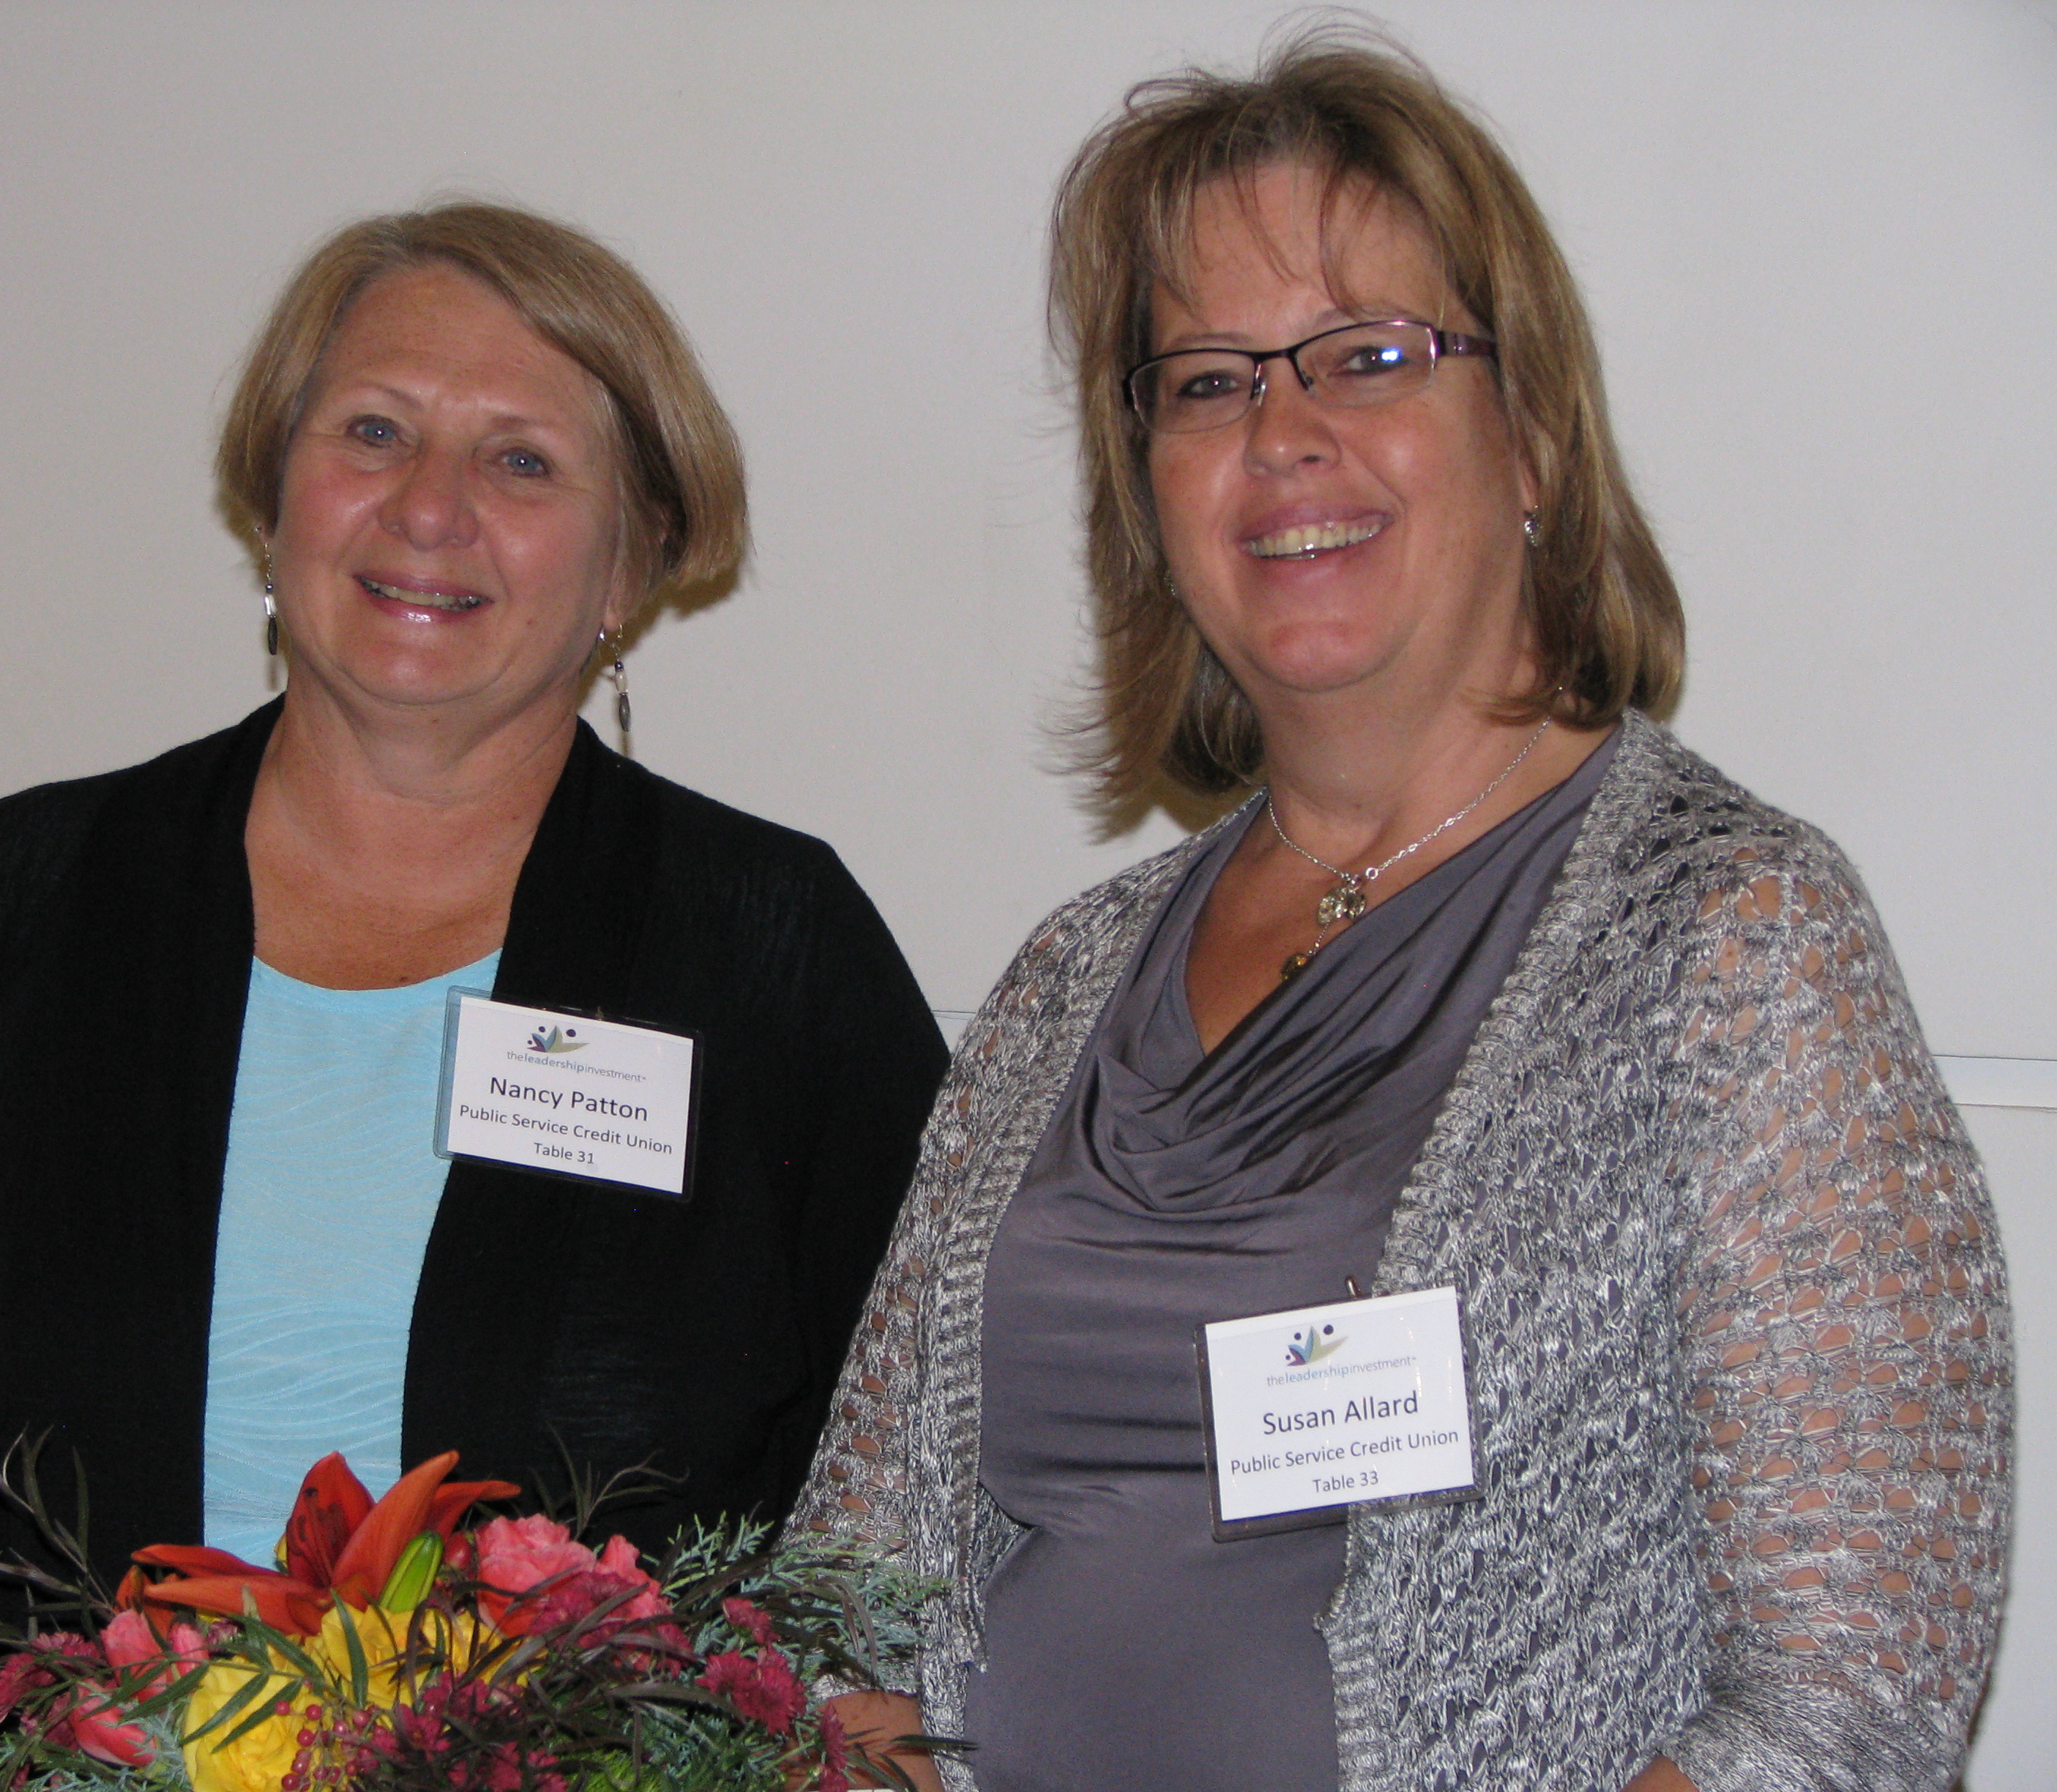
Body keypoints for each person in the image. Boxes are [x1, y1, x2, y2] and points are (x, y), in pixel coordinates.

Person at [794, 36, 2010, 1792]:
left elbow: (1846, 1706)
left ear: (1531, 435)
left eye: (1371, 355)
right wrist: (860, 1743)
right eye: (1205, 383)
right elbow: (849, 1578)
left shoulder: (1738, 940)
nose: (1284, 436)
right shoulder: (1073, 975)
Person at [0, 202, 948, 1790]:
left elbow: (926, 1483)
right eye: (374, 430)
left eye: (524, 461)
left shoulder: (768, 952)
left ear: (637, 555)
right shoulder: (25, 906)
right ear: (277, 492)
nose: (429, 509)